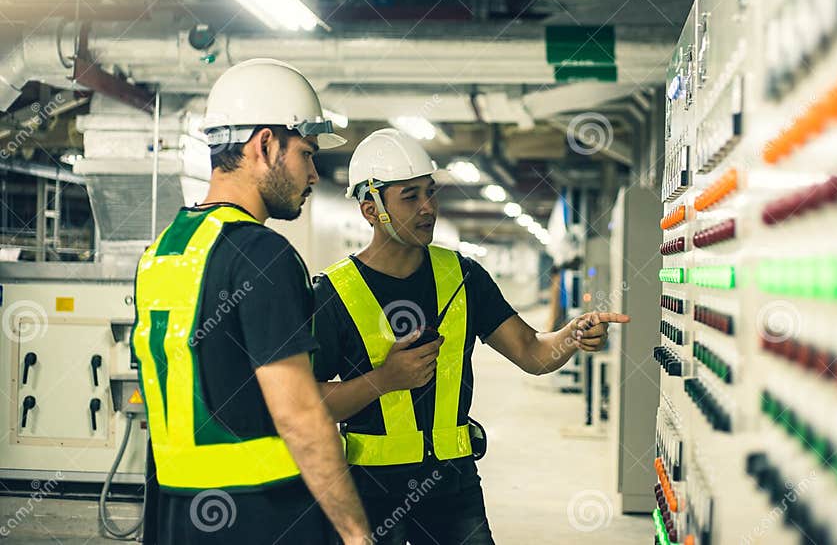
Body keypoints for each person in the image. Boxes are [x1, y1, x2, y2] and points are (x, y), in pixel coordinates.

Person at [311, 128, 630, 544]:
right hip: (370, 491)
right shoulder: (333, 294)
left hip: (452, 486)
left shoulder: (463, 277)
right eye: (410, 196)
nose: (428, 207)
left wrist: (572, 336)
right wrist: (384, 380)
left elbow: (532, 353)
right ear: (371, 209)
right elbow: (309, 403)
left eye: (431, 192)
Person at [131, 59, 370, 544]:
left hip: (176, 519)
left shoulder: (161, 252)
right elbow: (300, 417)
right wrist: (355, 533)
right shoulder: (262, 254)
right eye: (306, 154)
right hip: (264, 516)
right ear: (264, 145)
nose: (314, 174)